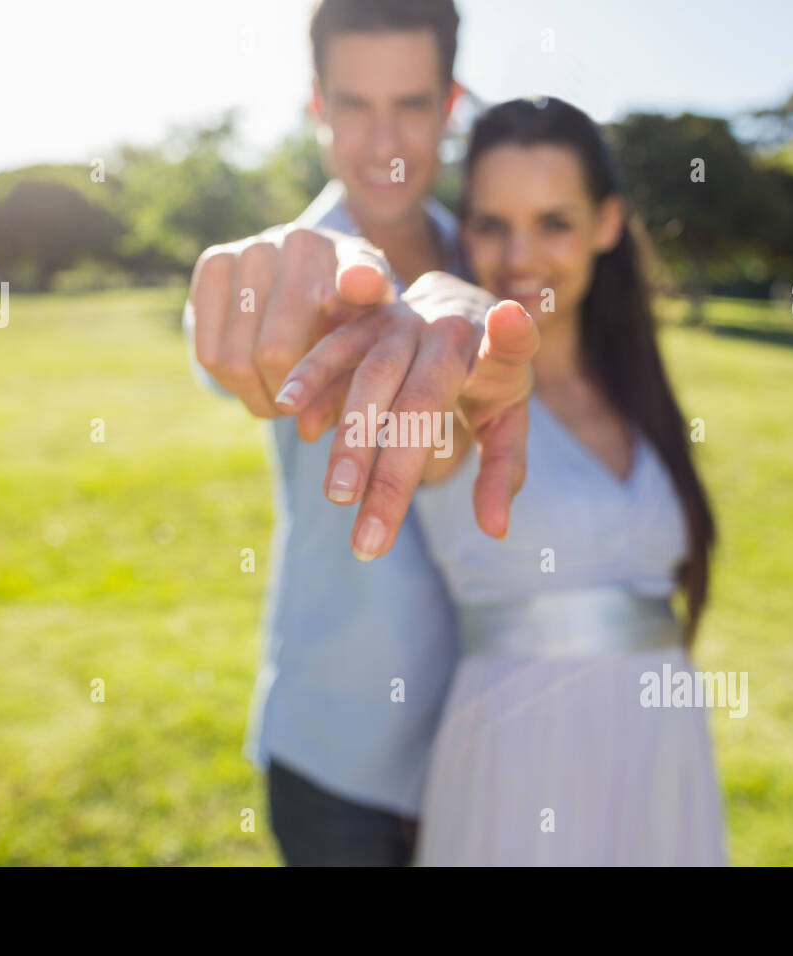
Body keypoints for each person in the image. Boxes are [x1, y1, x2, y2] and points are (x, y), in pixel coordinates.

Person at [285, 96, 729, 865]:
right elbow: (440, 421)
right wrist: (444, 312)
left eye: (554, 221)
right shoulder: (460, 396)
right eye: (491, 224)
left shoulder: (635, 390)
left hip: (664, 754)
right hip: (520, 765)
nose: (520, 256)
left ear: (607, 224)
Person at [184, 0, 536, 865]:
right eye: (355, 106)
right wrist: (262, 293)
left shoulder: (494, 257)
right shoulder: (293, 267)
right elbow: (235, 335)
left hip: (488, 737)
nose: (384, 142)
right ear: (318, 107)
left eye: (411, 105)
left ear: (450, 105)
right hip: (336, 749)